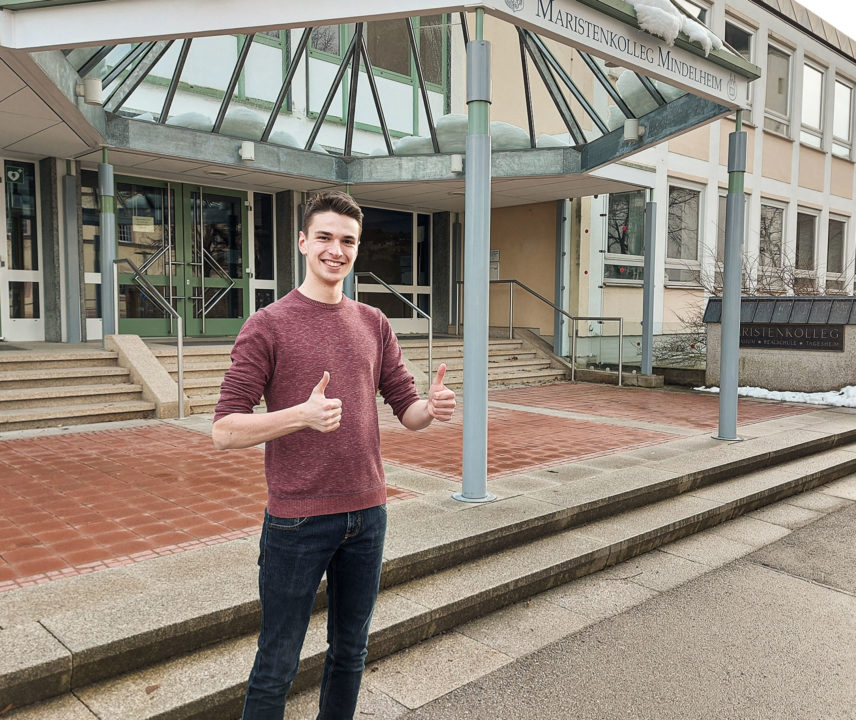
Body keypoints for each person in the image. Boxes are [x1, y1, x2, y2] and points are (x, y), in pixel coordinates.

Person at [212, 190, 456, 720]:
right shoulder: (268, 324)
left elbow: (406, 410)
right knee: (277, 662)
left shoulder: (374, 322)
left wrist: (431, 409)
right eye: (324, 237)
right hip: (297, 520)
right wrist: (299, 416)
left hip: (368, 514)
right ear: (302, 242)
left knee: (350, 653)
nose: (335, 249)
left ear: (357, 248)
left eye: (347, 240)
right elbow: (224, 430)